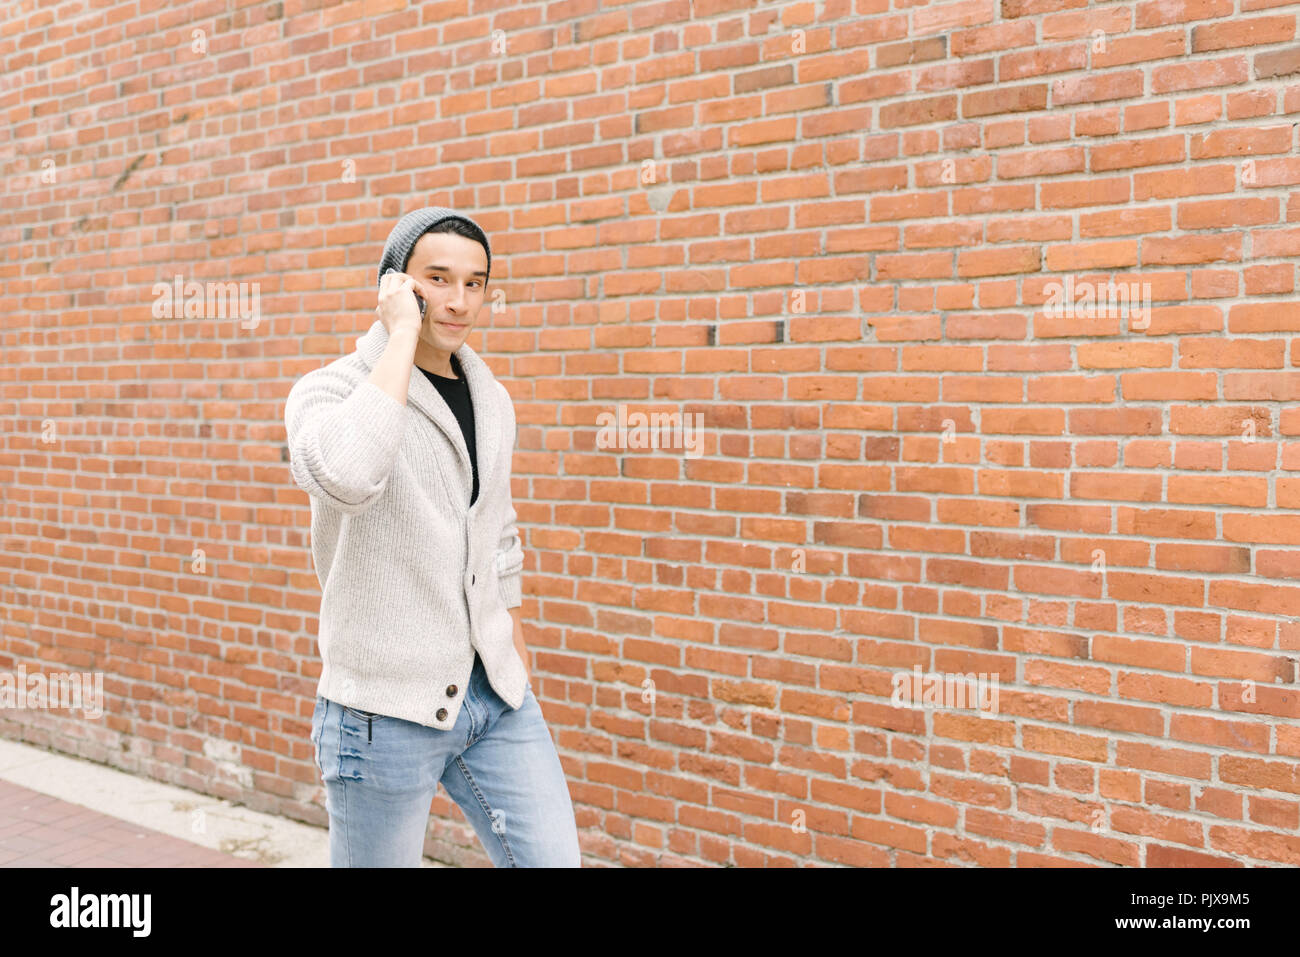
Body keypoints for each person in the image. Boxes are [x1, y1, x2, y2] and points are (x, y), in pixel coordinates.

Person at [284, 206, 580, 867]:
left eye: (475, 283)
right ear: (395, 284)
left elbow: (499, 530)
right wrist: (397, 340)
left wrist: (515, 659)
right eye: (438, 279)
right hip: (381, 711)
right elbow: (348, 476)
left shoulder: (491, 397)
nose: (458, 301)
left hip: (494, 698)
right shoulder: (329, 390)